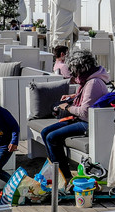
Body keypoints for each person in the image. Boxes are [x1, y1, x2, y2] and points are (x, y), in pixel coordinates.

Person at [39, 49, 110, 188]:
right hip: (83, 120)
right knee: (45, 132)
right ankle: (57, 172)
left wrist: (67, 107)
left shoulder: (93, 82)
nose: (73, 75)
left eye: (74, 71)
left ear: (80, 68)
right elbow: (87, 100)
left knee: (52, 137)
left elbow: (84, 112)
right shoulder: (88, 79)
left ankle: (65, 177)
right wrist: (73, 97)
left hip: (89, 123)